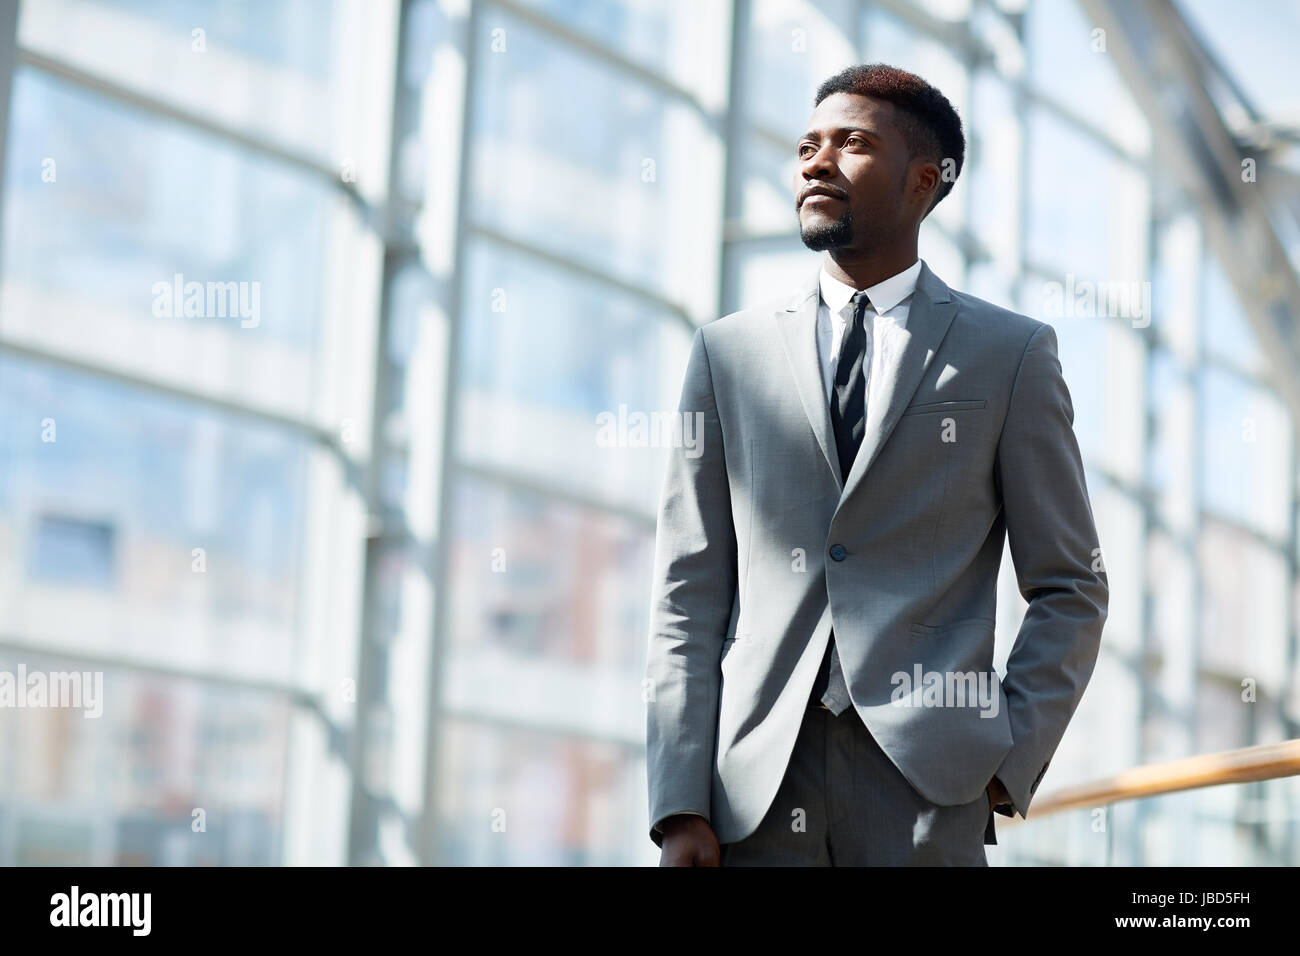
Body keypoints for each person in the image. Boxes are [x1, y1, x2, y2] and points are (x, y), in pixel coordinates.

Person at [644, 63, 1108, 866]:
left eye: (852, 144)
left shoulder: (1011, 356)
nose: (816, 163)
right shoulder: (727, 353)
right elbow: (689, 591)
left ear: (924, 180)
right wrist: (679, 798)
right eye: (806, 146)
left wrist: (1006, 759)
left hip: (929, 789)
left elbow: (1071, 584)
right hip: (751, 794)